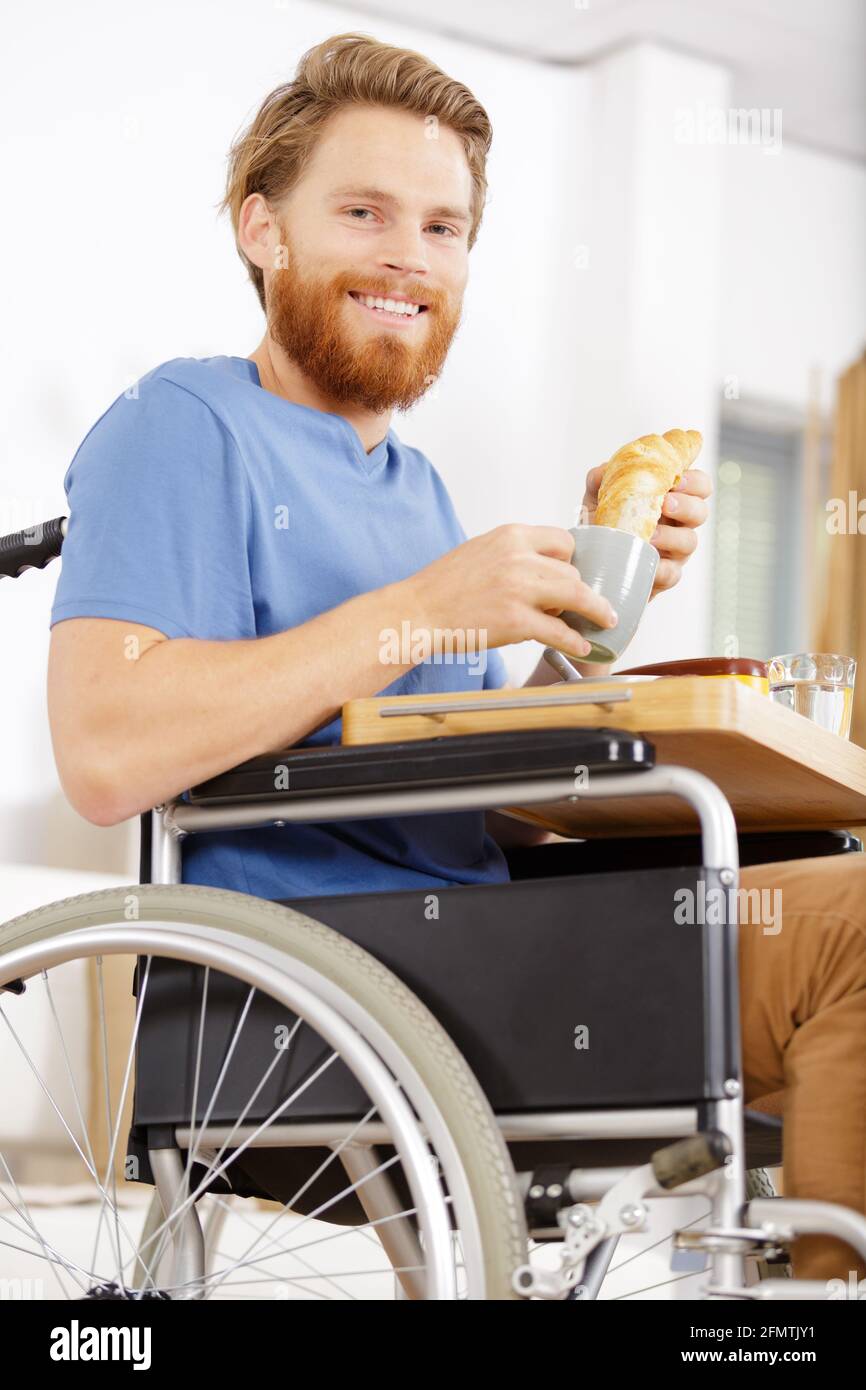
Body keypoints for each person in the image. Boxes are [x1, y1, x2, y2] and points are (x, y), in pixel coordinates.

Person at [46, 32, 866, 1289]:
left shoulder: (412, 485)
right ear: (262, 230)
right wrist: (419, 605)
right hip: (331, 982)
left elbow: (470, 781)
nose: (406, 257)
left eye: (442, 227)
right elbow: (105, 750)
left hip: (484, 936)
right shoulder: (182, 424)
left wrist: (602, 591)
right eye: (363, 212)